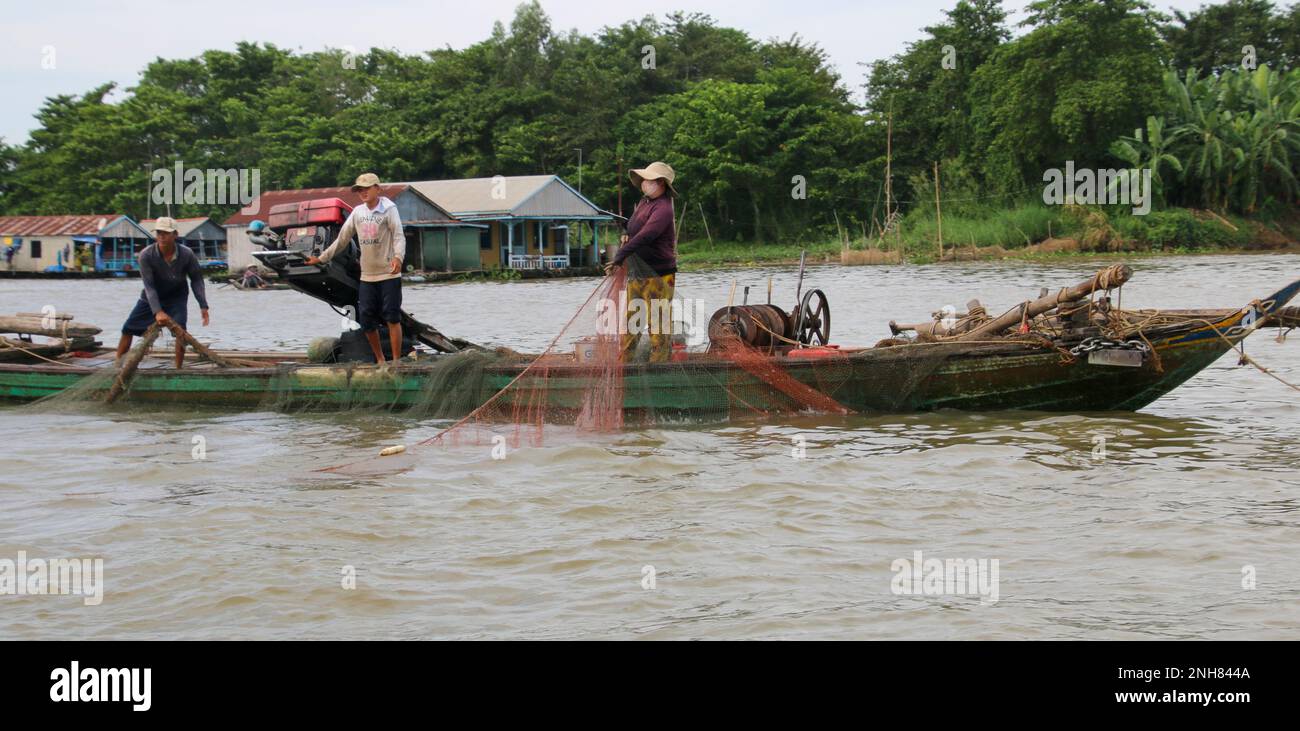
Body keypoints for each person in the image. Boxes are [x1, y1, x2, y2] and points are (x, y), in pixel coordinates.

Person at [305, 173, 406, 364]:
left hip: (389, 273)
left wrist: (398, 258)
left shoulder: (389, 209)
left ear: (377, 188)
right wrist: (321, 258)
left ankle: (396, 361)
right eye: (360, 189)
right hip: (368, 276)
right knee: (367, 320)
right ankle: (380, 360)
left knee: (392, 317)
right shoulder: (358, 212)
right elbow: (342, 240)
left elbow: (399, 236)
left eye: (367, 188)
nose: (363, 192)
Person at [605, 161, 678, 362]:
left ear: (660, 183)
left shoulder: (663, 209)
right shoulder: (645, 203)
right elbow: (634, 228)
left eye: (649, 179)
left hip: (659, 276)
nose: (644, 183)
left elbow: (647, 235)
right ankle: (625, 364)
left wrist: (619, 256)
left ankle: (659, 367)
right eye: (644, 179)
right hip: (637, 274)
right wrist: (626, 233)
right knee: (631, 323)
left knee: (658, 325)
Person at [115, 216, 210, 368]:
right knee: (128, 329)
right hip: (151, 298)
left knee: (180, 332)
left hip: (176, 297)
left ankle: (177, 369)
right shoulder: (146, 255)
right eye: (159, 232)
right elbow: (149, 286)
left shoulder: (187, 254)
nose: (162, 236)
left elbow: (197, 280)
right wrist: (158, 311)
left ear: (175, 235)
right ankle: (117, 366)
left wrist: (203, 305)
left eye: (166, 233)